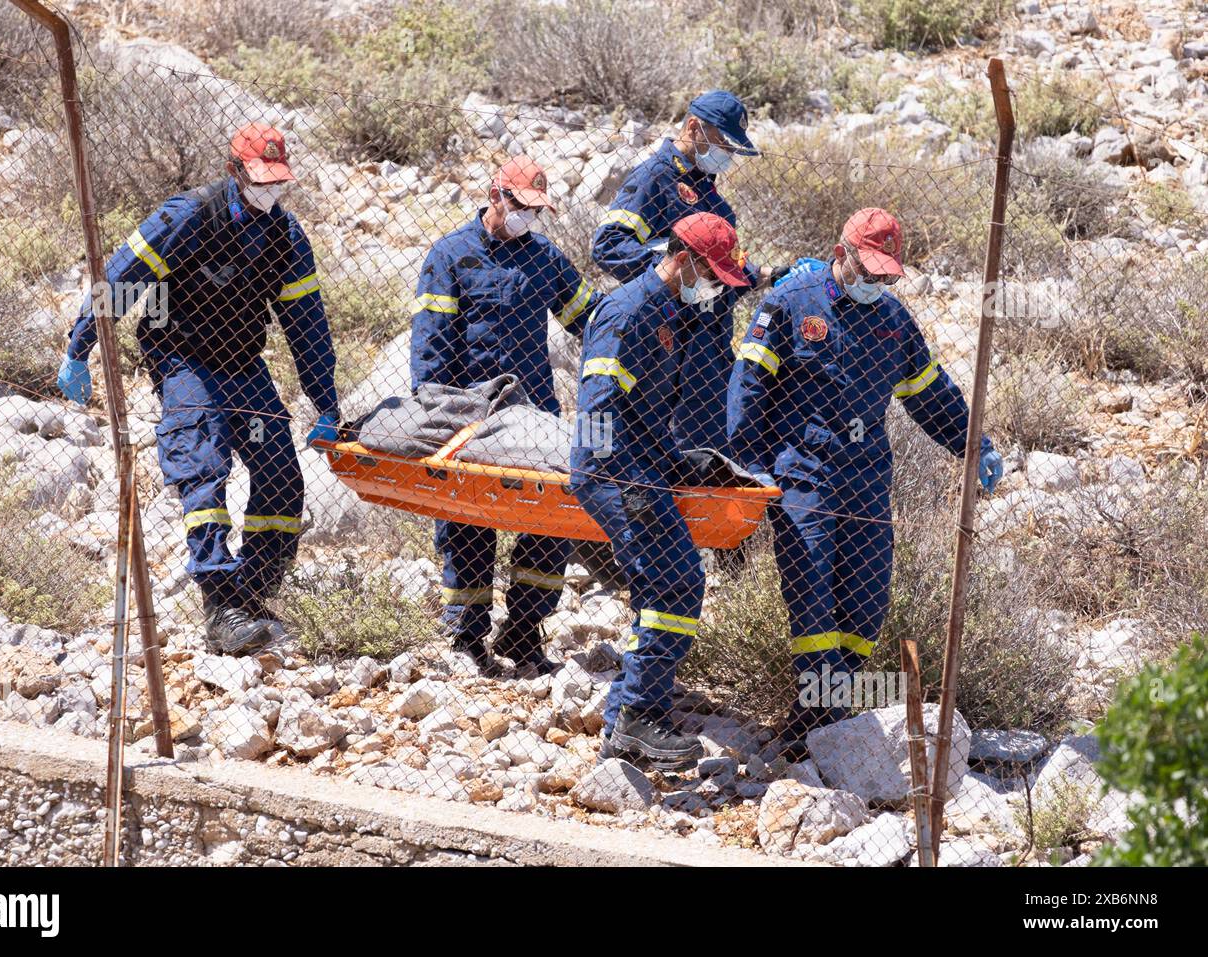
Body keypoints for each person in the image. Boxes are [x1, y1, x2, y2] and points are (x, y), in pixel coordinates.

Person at [726, 208, 1005, 757]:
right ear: (841, 254)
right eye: (868, 270)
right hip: (803, 474)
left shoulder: (894, 322)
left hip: (868, 478)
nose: (877, 283)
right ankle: (814, 720)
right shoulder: (790, 302)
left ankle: (834, 706)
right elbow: (749, 388)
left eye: (886, 275)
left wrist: (972, 447)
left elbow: (930, 394)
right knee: (813, 598)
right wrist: (748, 466)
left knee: (865, 602)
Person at [57, 123, 340, 655]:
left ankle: (252, 597)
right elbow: (118, 279)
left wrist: (326, 402)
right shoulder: (188, 216)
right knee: (202, 465)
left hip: (243, 363)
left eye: (278, 181)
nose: (269, 191)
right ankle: (219, 603)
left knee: (282, 474)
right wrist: (79, 349)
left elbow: (307, 325)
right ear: (234, 171)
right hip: (182, 356)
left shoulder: (285, 236)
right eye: (260, 179)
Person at [410, 155, 601, 677]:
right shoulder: (451, 256)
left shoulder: (545, 258)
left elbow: (592, 320)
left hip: (534, 413)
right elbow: (430, 345)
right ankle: (467, 636)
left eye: (538, 210)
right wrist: (433, 412)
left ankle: (523, 630)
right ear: (496, 195)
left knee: (548, 520)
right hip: (470, 413)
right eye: (521, 206)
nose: (528, 218)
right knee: (467, 520)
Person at [572, 212, 750, 771]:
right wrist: (625, 479)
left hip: (642, 466)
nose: (717, 287)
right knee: (677, 582)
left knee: (662, 585)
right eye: (713, 275)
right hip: (614, 472)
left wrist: (680, 462)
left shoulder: (668, 312)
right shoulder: (628, 313)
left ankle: (626, 729)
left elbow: (642, 414)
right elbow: (597, 408)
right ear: (684, 260)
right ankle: (638, 716)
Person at [592, 89, 780, 454]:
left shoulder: (715, 202)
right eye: (724, 144)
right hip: (666, 339)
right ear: (694, 127)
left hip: (709, 349)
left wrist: (768, 274)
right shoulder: (654, 178)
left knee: (708, 460)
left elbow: (722, 274)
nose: (727, 156)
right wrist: (673, 272)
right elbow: (609, 246)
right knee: (661, 458)